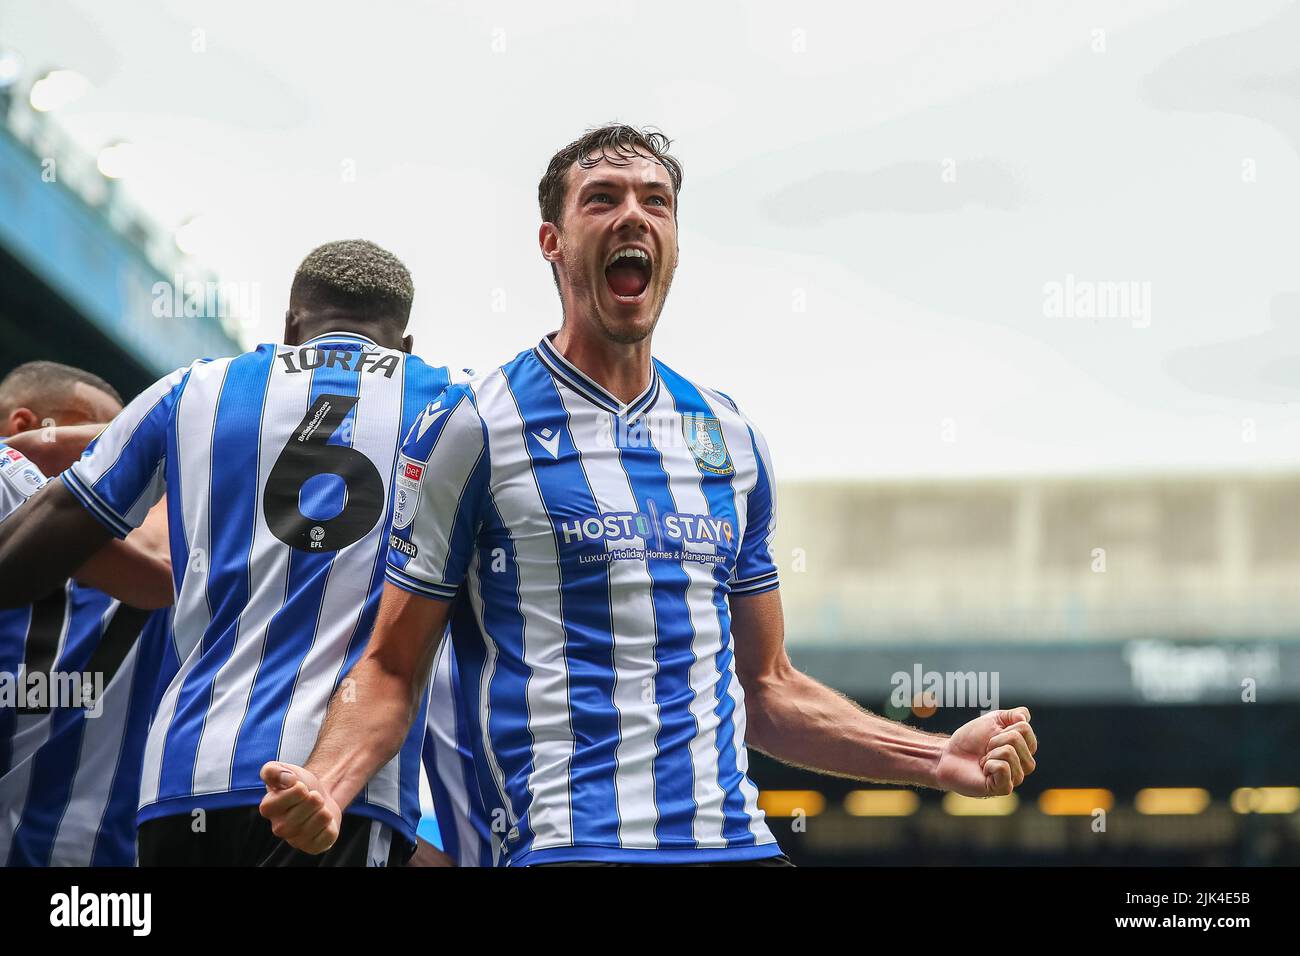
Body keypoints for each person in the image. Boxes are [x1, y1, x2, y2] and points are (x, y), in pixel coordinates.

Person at [261, 126, 1039, 865]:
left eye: (655, 200)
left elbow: (767, 689)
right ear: (551, 242)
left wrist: (936, 753)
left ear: (672, 246)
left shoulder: (727, 436)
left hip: (735, 844)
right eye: (602, 197)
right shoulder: (473, 426)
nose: (633, 212)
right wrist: (327, 785)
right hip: (570, 848)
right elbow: (393, 668)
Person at [0, 241, 455, 866]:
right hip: (340, 791)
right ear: (405, 345)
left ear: (290, 325)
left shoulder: (191, 392)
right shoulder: (455, 406)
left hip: (184, 785)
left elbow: (44, 535)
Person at [0, 361, 172, 865]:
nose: (116, 472)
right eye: (101, 452)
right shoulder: (10, 473)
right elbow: (158, 571)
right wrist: (163, 434)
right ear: (25, 426)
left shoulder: (122, 541)